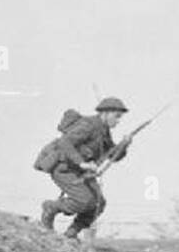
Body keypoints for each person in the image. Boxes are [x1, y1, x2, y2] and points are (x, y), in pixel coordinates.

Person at [39, 97, 130, 242]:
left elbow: (113, 156)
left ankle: (71, 234)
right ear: (105, 113)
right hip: (64, 168)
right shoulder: (88, 125)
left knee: (98, 204)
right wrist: (82, 163)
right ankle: (51, 207)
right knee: (85, 201)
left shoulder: (104, 131)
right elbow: (65, 142)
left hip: (80, 171)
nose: (118, 120)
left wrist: (124, 145)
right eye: (116, 116)